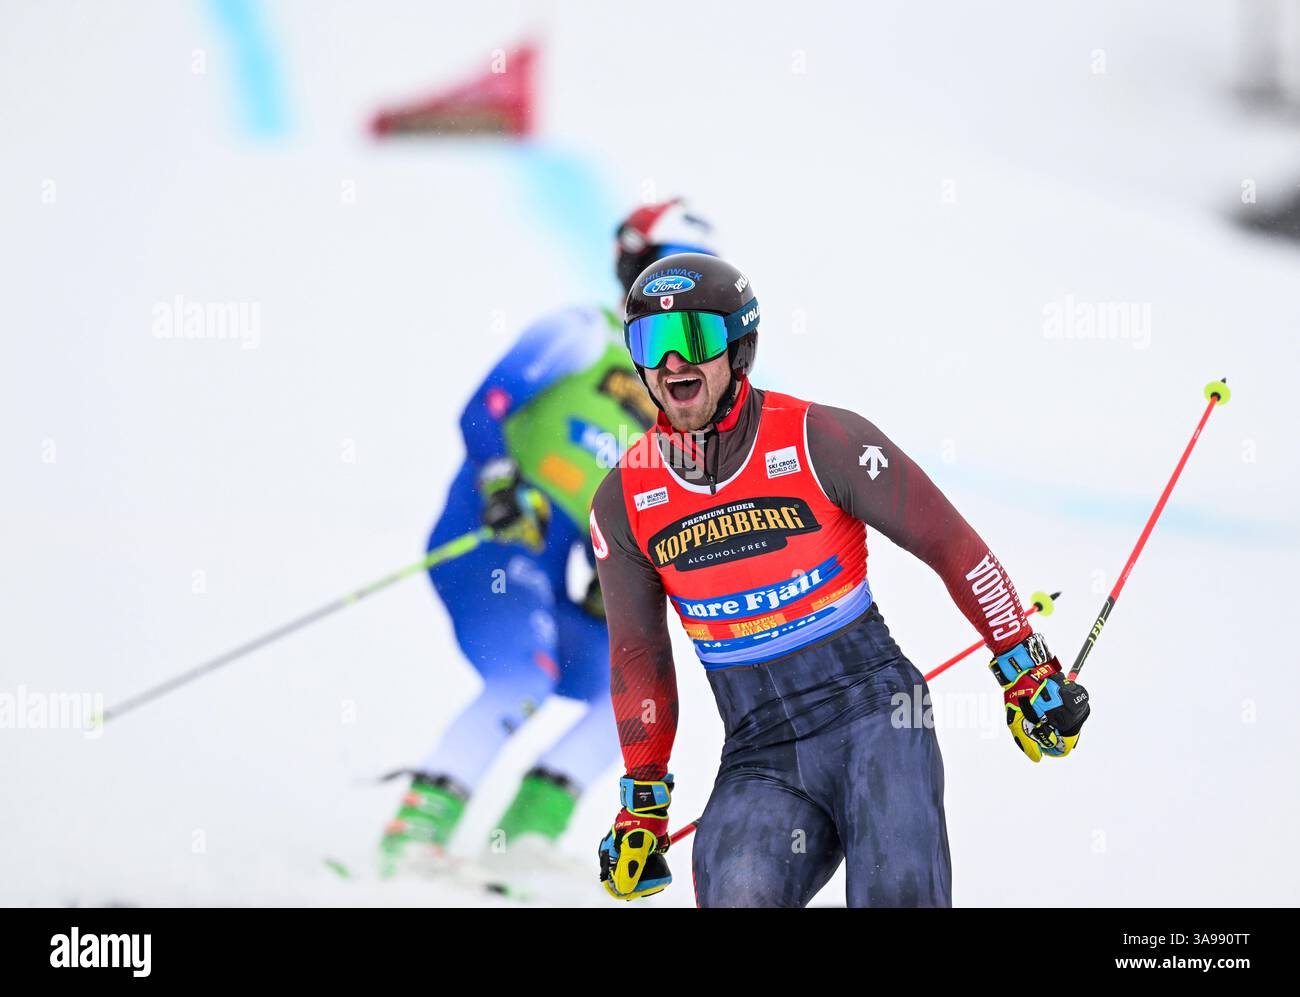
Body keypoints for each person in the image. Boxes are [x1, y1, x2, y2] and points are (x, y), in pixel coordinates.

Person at [590, 253, 1091, 906]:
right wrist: (643, 799)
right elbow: (638, 654)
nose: (672, 362)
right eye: (651, 343)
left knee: (898, 894)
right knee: (737, 890)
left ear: (738, 346)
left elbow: (950, 544)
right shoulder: (625, 498)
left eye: (695, 338)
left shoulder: (819, 439)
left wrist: (1025, 665)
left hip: (877, 719)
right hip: (761, 754)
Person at [380, 201, 718, 874]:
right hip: (488, 540)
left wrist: (614, 579)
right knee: (521, 675)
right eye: (661, 275)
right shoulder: (583, 332)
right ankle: (412, 835)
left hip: (553, 564)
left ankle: (525, 838)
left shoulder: (673, 403)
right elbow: (486, 407)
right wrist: (503, 481)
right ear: (630, 267)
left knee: (636, 697)